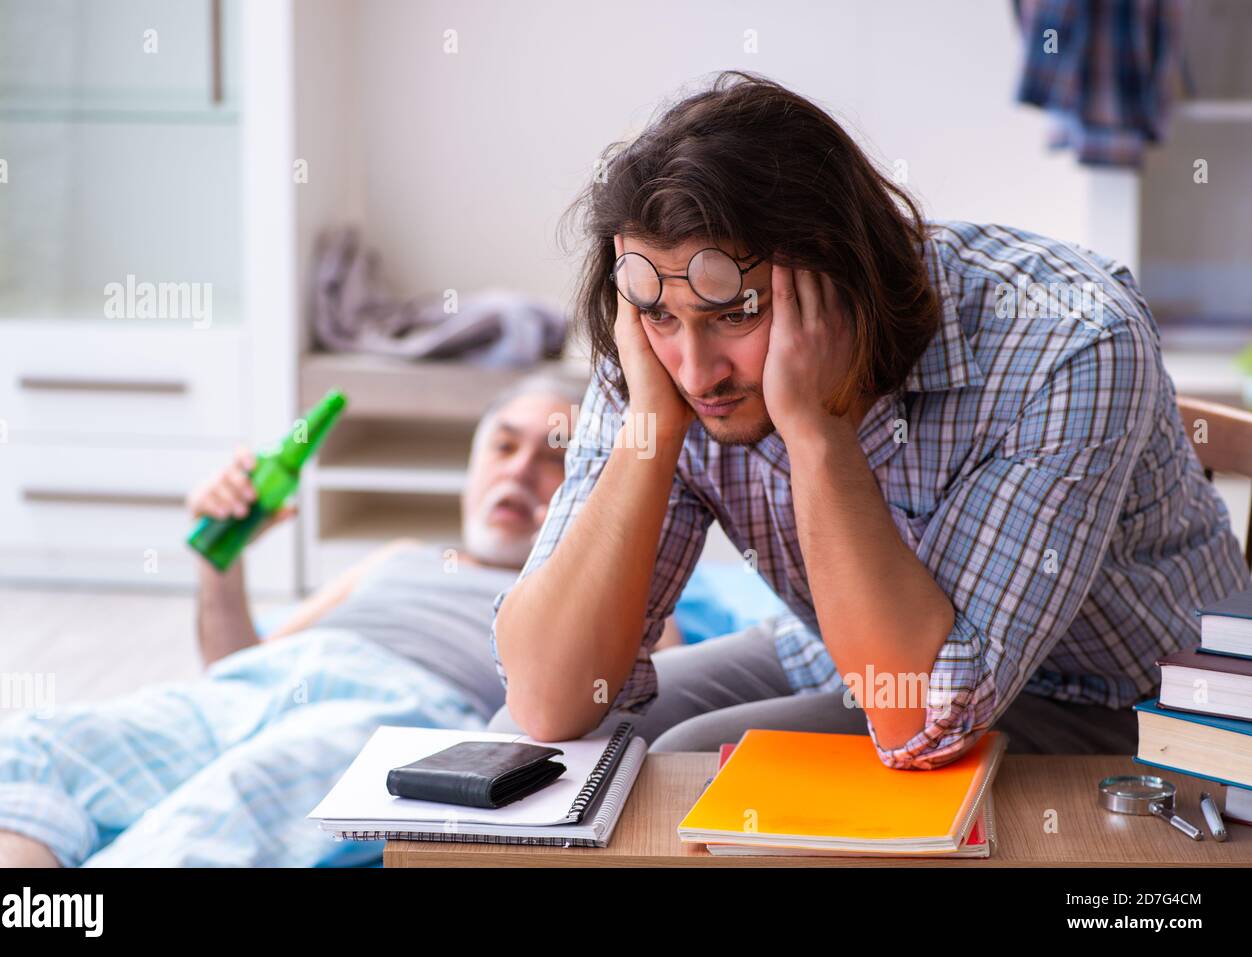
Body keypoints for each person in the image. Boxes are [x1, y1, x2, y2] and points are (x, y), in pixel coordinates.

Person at [488, 71, 1252, 769]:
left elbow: (920, 718)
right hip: (845, 654)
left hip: (1140, 706)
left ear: (839, 276)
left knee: (693, 761)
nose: (695, 371)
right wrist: (648, 423)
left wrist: (816, 430)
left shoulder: (1072, 339)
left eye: (732, 316)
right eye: (659, 317)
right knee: (522, 750)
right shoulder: (666, 354)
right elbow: (550, 699)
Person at [0, 374, 584, 867]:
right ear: (471, 466)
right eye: (503, 444)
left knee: (230, 802)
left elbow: (632, 686)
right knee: (38, 747)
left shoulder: (582, 601)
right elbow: (232, 667)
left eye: (555, 455)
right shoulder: (397, 558)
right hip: (264, 684)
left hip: (403, 718)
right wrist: (220, 558)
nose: (520, 468)